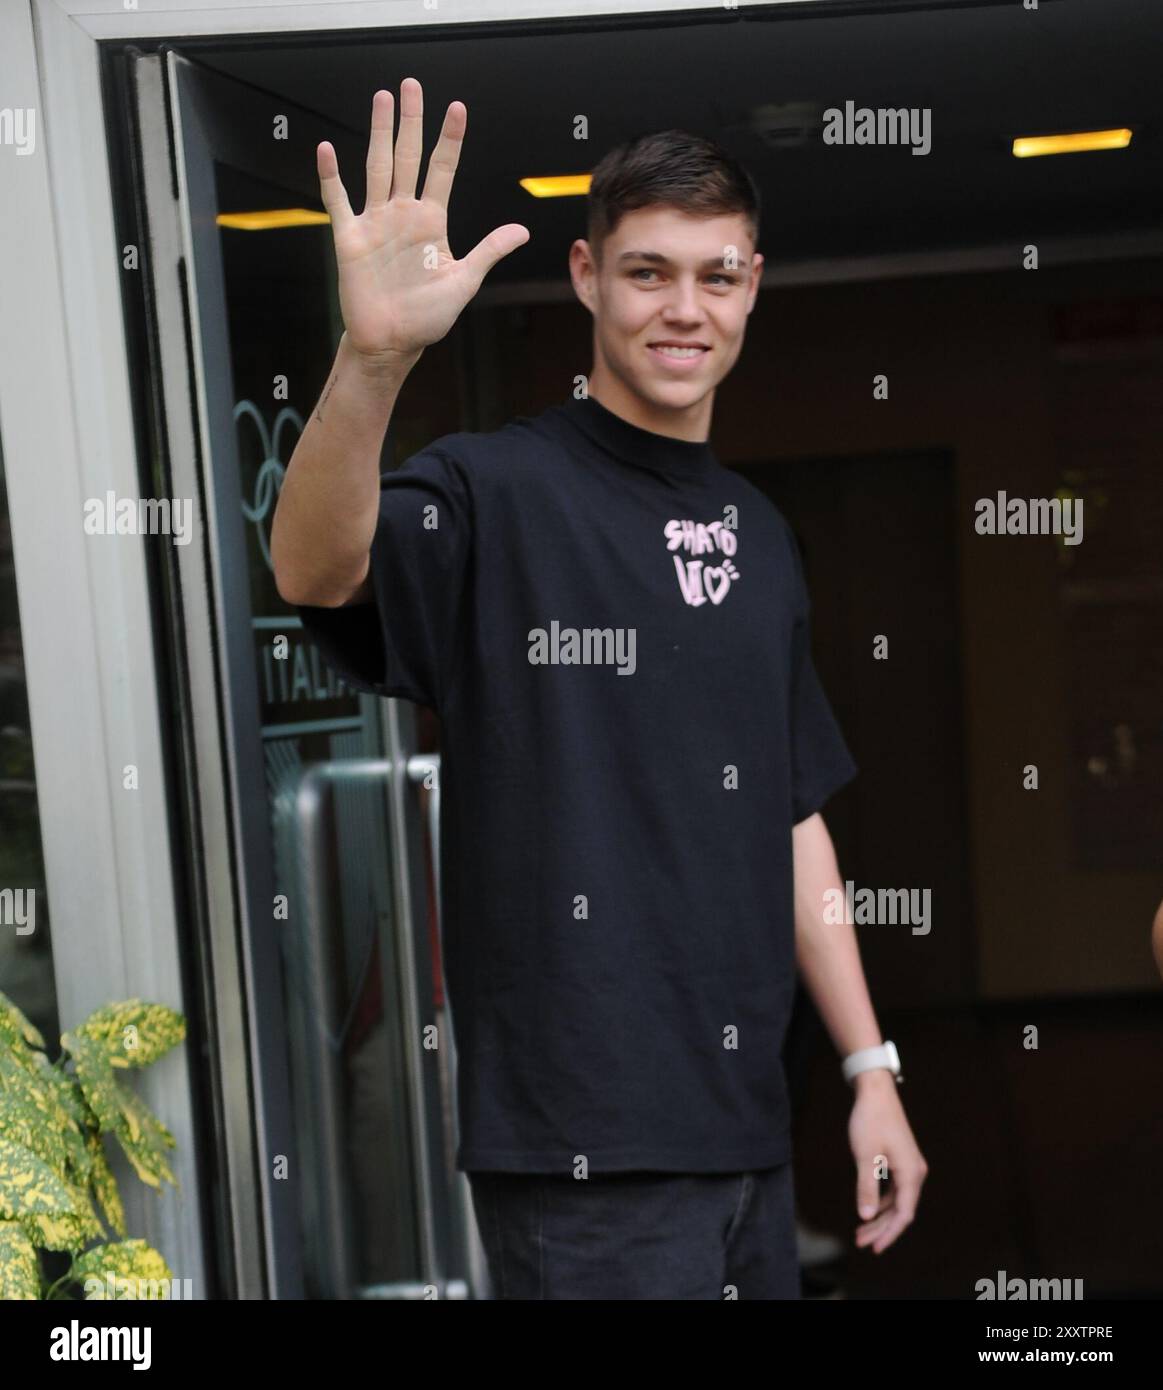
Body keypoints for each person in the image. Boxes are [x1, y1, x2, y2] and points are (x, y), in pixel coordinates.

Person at [271, 78, 928, 1300]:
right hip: (579, 1150)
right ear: (584, 276)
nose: (683, 309)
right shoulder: (494, 493)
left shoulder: (759, 532)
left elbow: (789, 816)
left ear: (751, 286)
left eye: (714, 275)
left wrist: (866, 1068)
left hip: (743, 1135)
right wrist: (370, 364)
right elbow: (314, 565)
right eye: (646, 272)